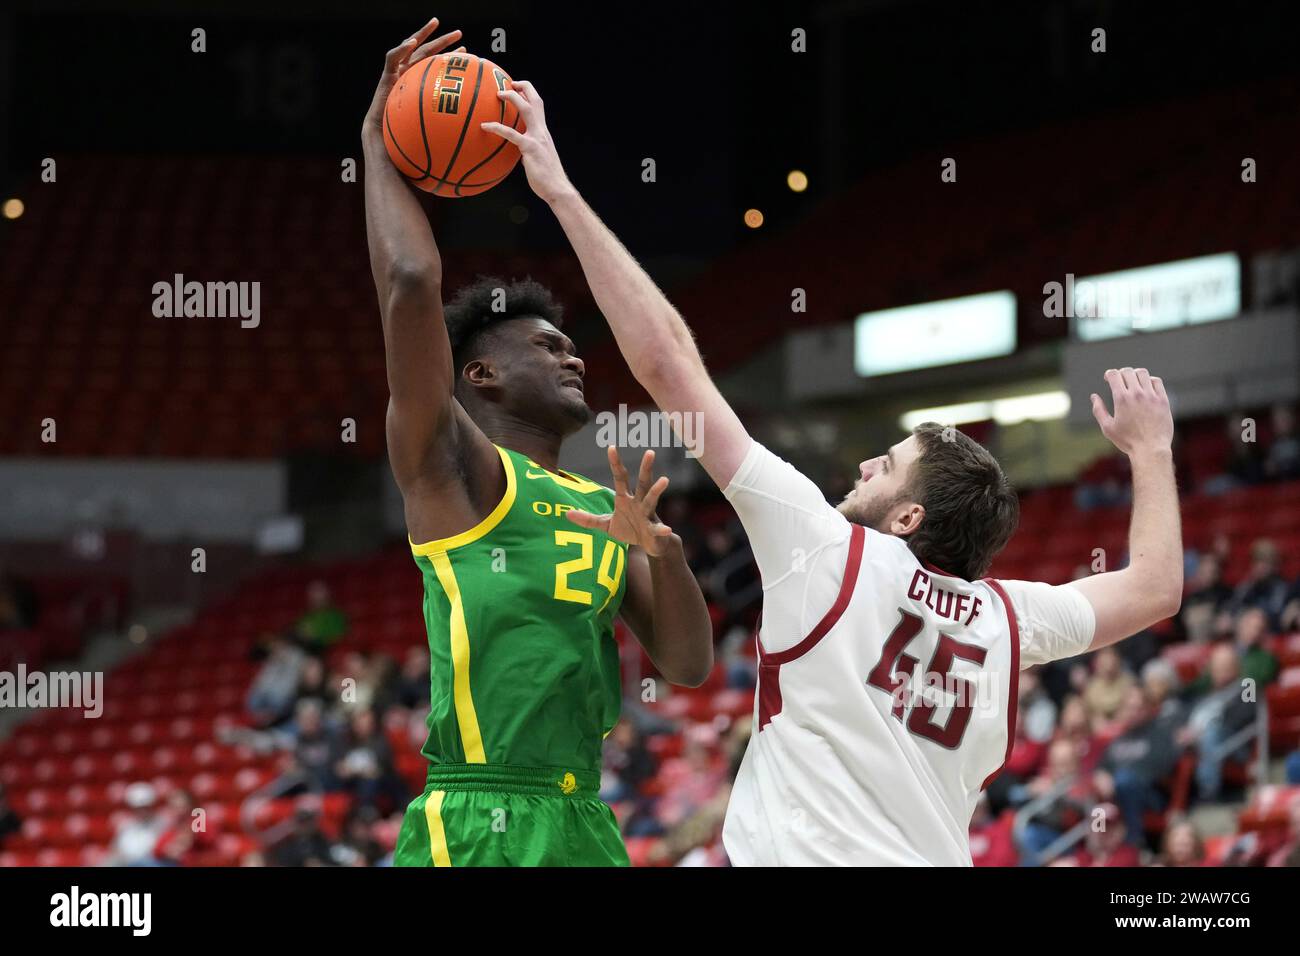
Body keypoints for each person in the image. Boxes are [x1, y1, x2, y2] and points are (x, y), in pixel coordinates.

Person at [484, 77, 1183, 864]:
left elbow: (667, 365)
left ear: (908, 517)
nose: (862, 465)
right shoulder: (1008, 619)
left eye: (885, 466)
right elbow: (1156, 588)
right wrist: (1151, 453)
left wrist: (560, 190)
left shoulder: (824, 544)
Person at [361, 17, 712, 867]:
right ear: (480, 376)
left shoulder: (603, 508)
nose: (571, 355)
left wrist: (661, 555)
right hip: (481, 822)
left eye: (569, 343)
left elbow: (688, 663)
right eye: (543, 345)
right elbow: (411, 281)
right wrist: (377, 140)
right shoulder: (457, 472)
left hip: (585, 820)